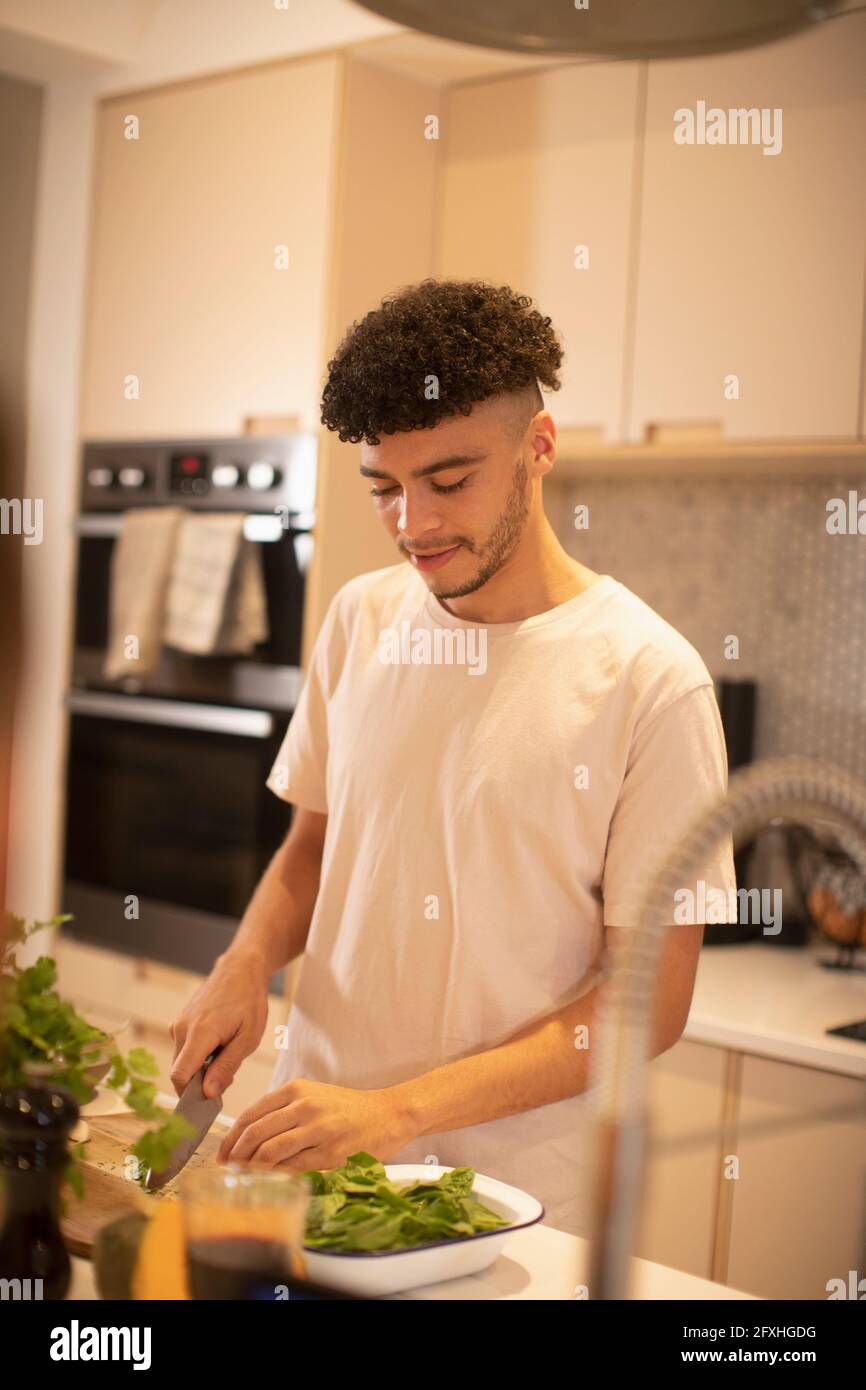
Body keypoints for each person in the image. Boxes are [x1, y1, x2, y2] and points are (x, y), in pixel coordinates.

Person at [170, 279, 735, 1236]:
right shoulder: (359, 620)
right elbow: (314, 849)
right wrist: (245, 959)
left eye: (450, 480)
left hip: (507, 1204)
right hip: (307, 1162)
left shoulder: (650, 681)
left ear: (539, 447)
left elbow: (649, 1006)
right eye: (386, 487)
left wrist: (393, 1114)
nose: (412, 526)